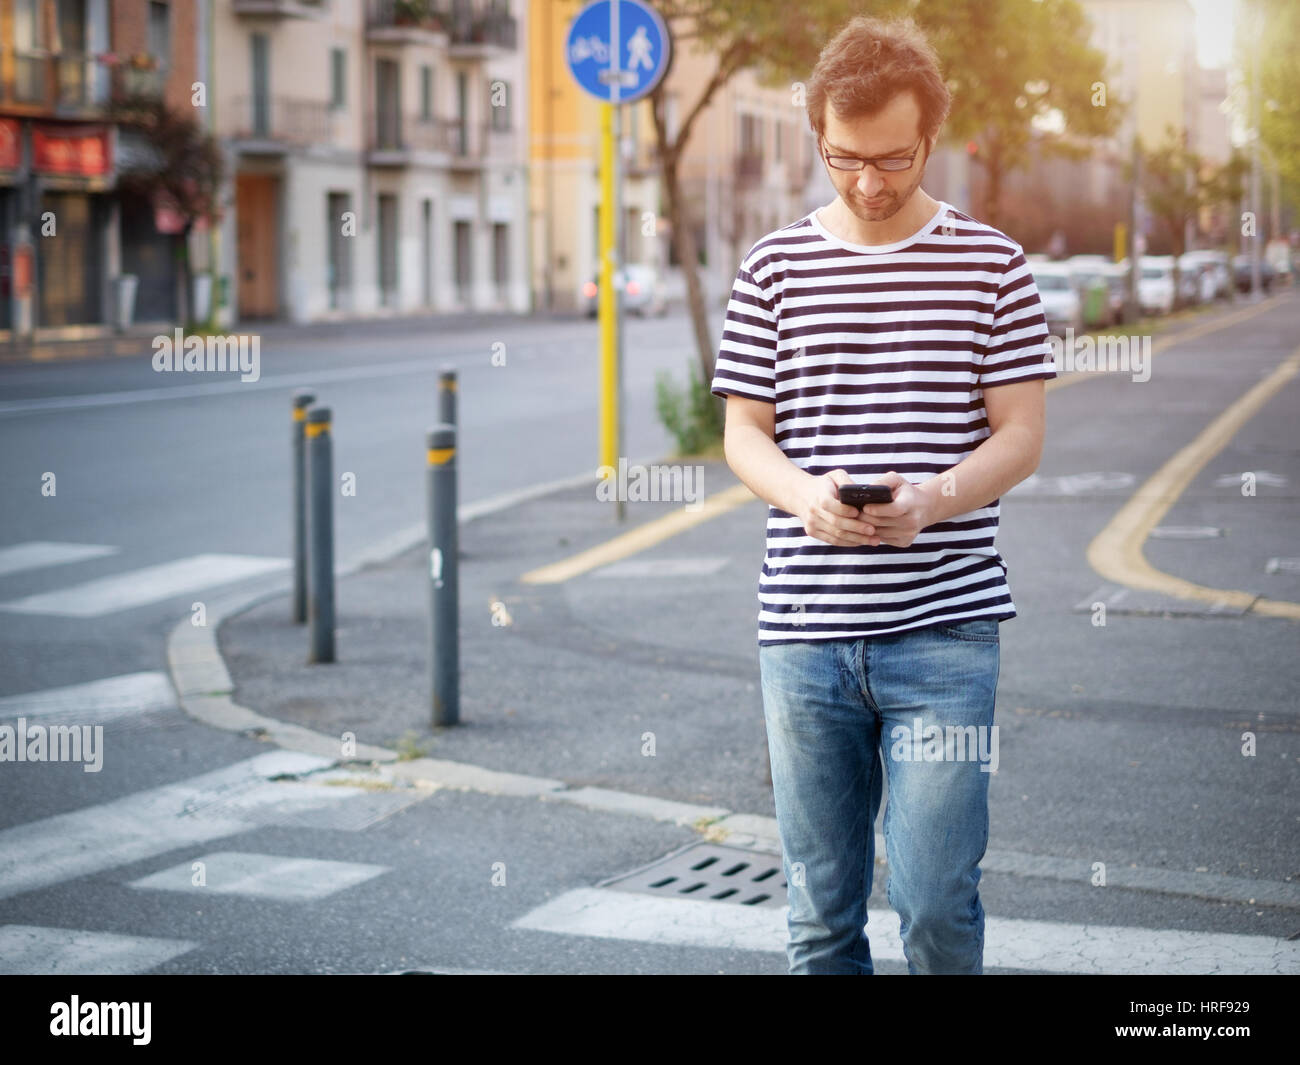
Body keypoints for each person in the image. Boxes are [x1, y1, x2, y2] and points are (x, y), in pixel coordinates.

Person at [710, 14, 1056, 974]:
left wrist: (935, 498)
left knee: (937, 904)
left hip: (945, 634)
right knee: (819, 917)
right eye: (842, 158)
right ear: (818, 137)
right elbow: (744, 435)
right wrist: (806, 495)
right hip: (805, 635)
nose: (867, 183)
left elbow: (1021, 434)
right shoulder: (773, 266)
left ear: (931, 138)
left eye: (892, 159)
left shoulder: (994, 266)